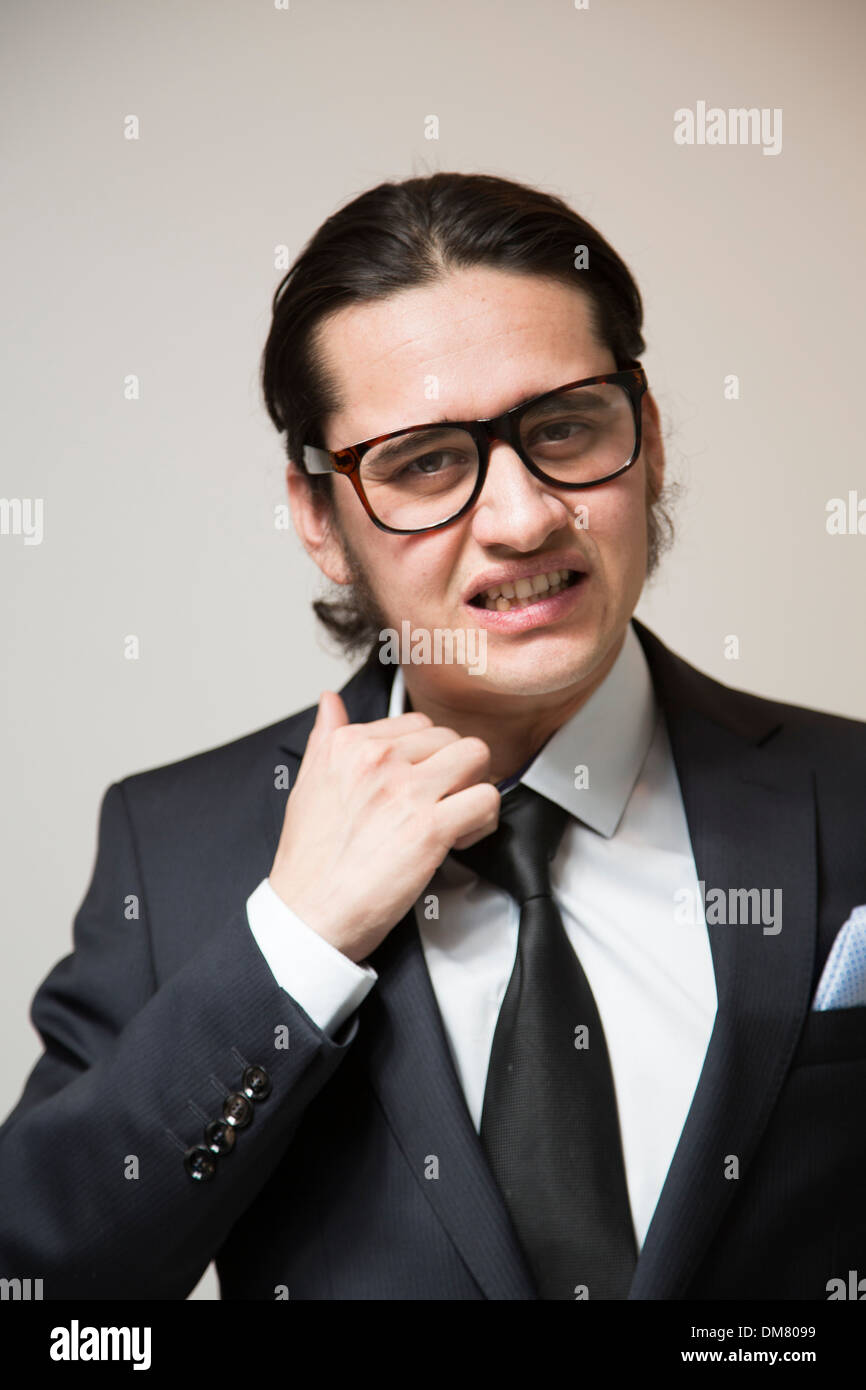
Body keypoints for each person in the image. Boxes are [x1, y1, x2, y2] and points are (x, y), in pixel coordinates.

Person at [1, 172, 864, 1301]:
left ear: (645, 437)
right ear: (319, 518)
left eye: (563, 426)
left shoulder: (848, 797)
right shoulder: (175, 852)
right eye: (423, 463)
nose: (519, 519)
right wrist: (296, 946)